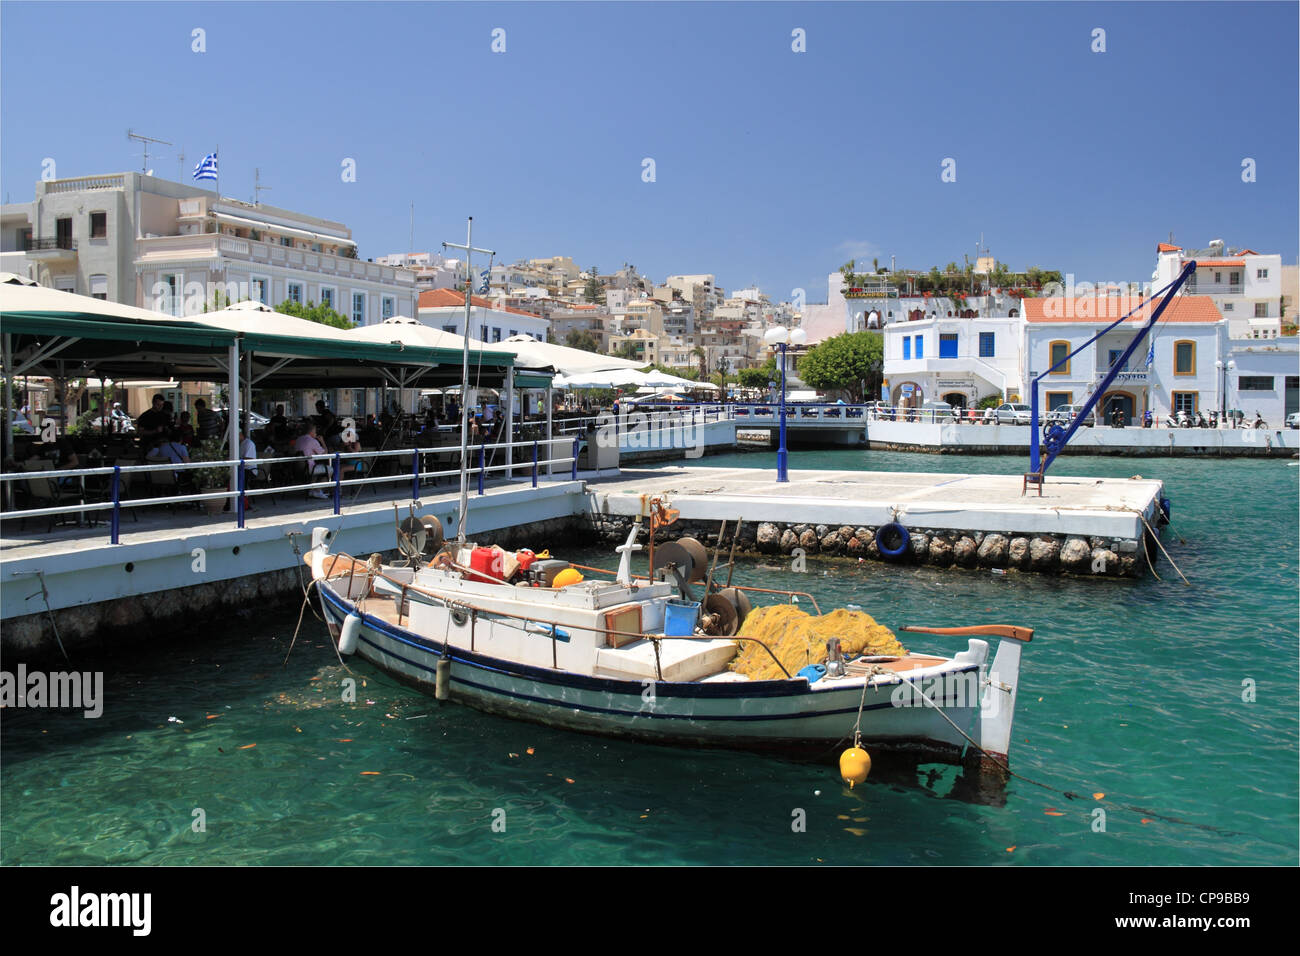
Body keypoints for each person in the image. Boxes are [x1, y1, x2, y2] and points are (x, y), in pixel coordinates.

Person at [293, 422, 330, 499]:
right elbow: (325, 453)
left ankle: (311, 490)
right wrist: (322, 441)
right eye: (315, 431)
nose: (316, 433)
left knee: (315, 469)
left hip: (298, 467)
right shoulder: (312, 441)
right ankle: (317, 490)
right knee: (330, 470)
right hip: (309, 468)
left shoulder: (298, 439)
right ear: (311, 432)